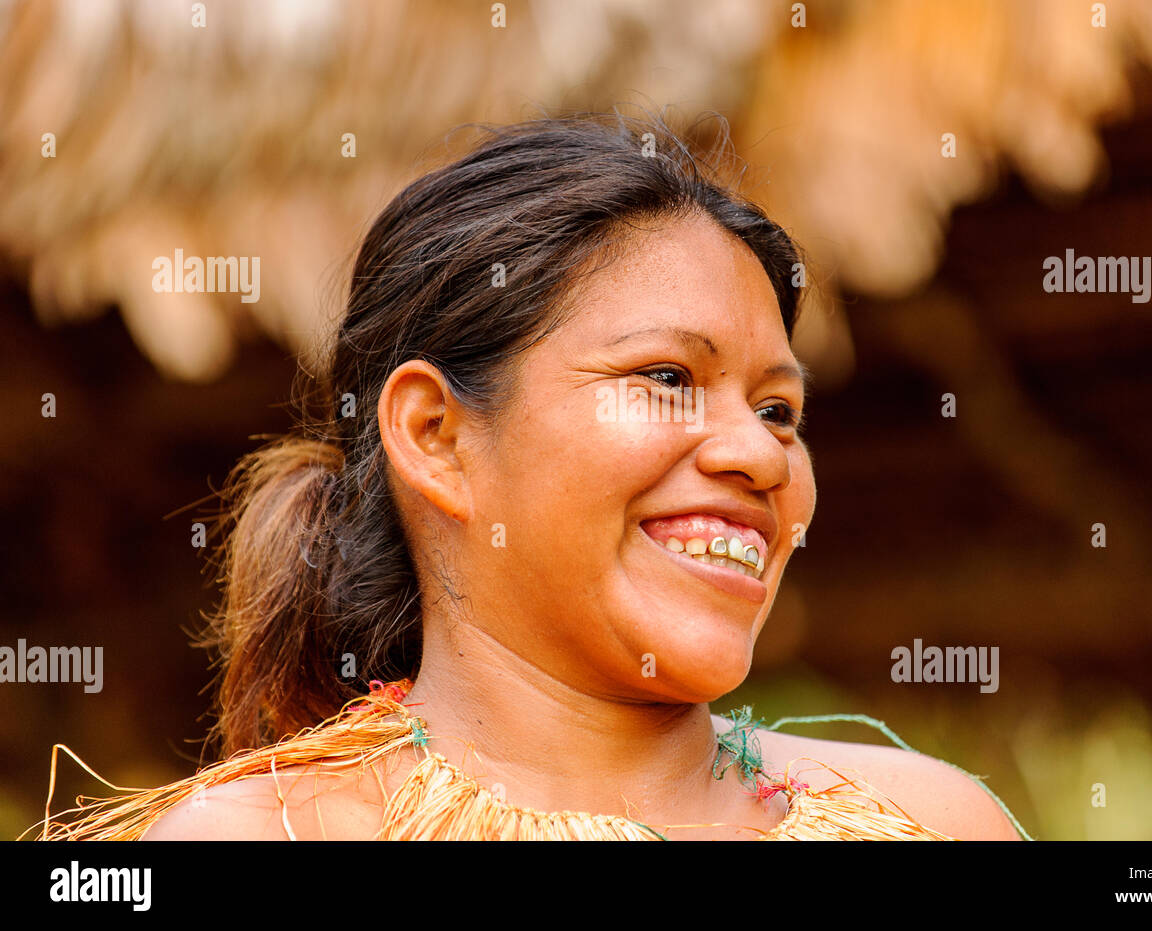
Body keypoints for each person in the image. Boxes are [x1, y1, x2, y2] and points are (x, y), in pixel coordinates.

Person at [41, 113, 1028, 841]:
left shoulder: (931, 822)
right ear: (435, 436)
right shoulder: (265, 836)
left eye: (778, 409)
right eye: (666, 378)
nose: (761, 453)